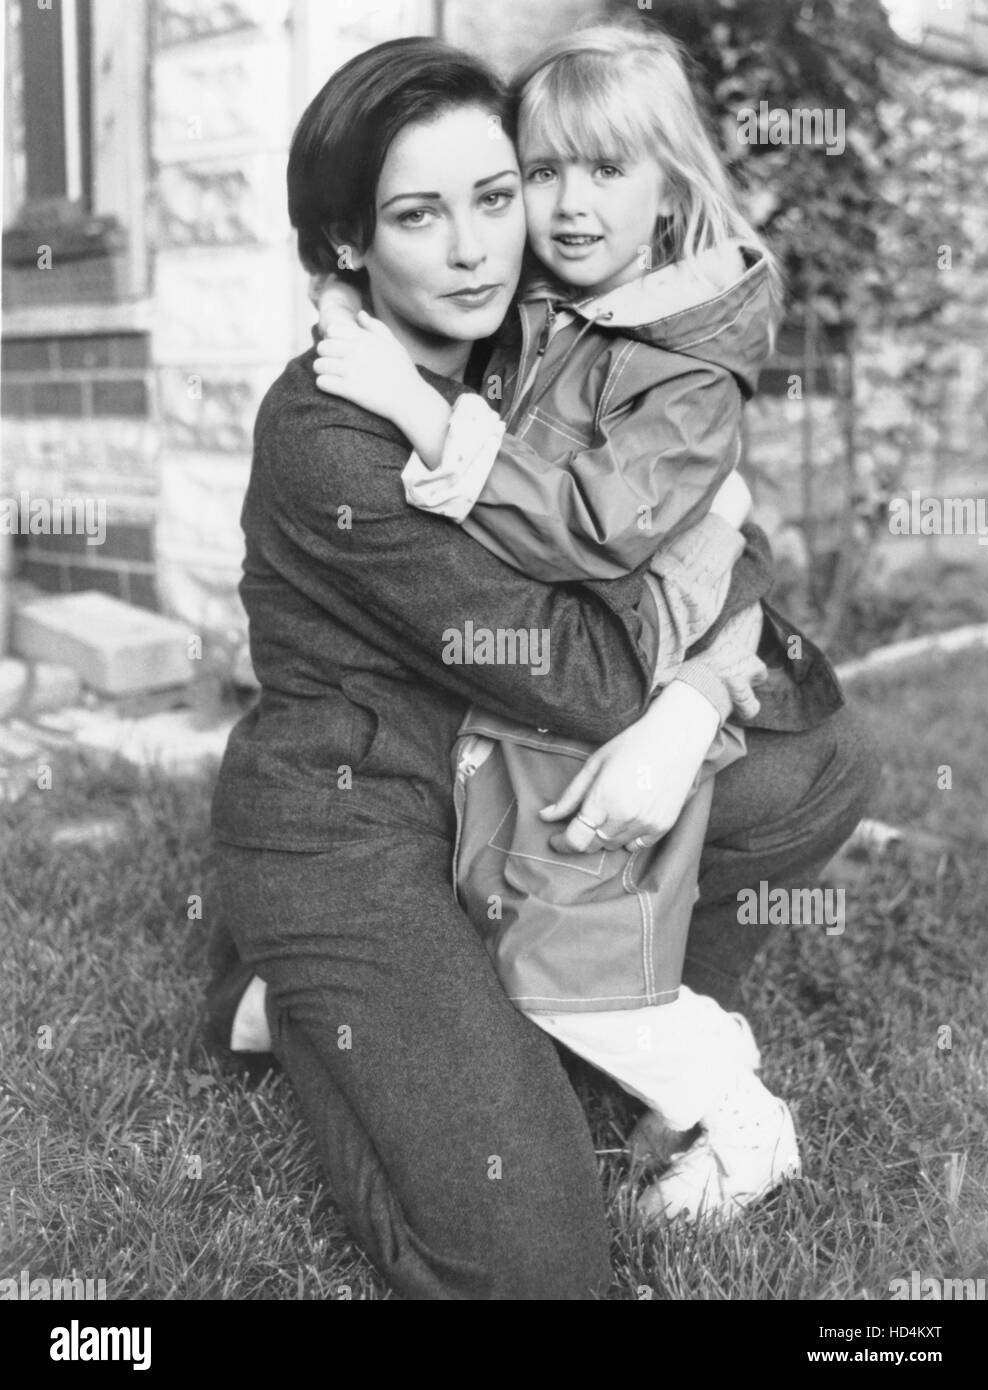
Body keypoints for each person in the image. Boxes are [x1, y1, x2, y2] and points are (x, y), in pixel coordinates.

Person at [206, 36, 877, 1301]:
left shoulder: (541, 336)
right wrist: (666, 687)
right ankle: (298, 1001)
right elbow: (577, 672)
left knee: (822, 760)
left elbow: (707, 537)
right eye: (417, 213)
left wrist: (692, 691)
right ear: (350, 242)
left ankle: (571, 1002)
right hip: (361, 820)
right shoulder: (331, 434)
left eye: (493, 196)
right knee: (530, 1266)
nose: (474, 246)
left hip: (508, 783)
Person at [308, 23, 798, 1224]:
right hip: (533, 704)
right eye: (541, 172)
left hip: (603, 686)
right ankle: (664, 1039)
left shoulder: (680, 361)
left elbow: (592, 525)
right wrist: (335, 285)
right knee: (514, 921)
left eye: (606, 171)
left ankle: (738, 1115)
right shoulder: (554, 309)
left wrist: (422, 424)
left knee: (559, 964)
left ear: (671, 190)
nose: (566, 205)